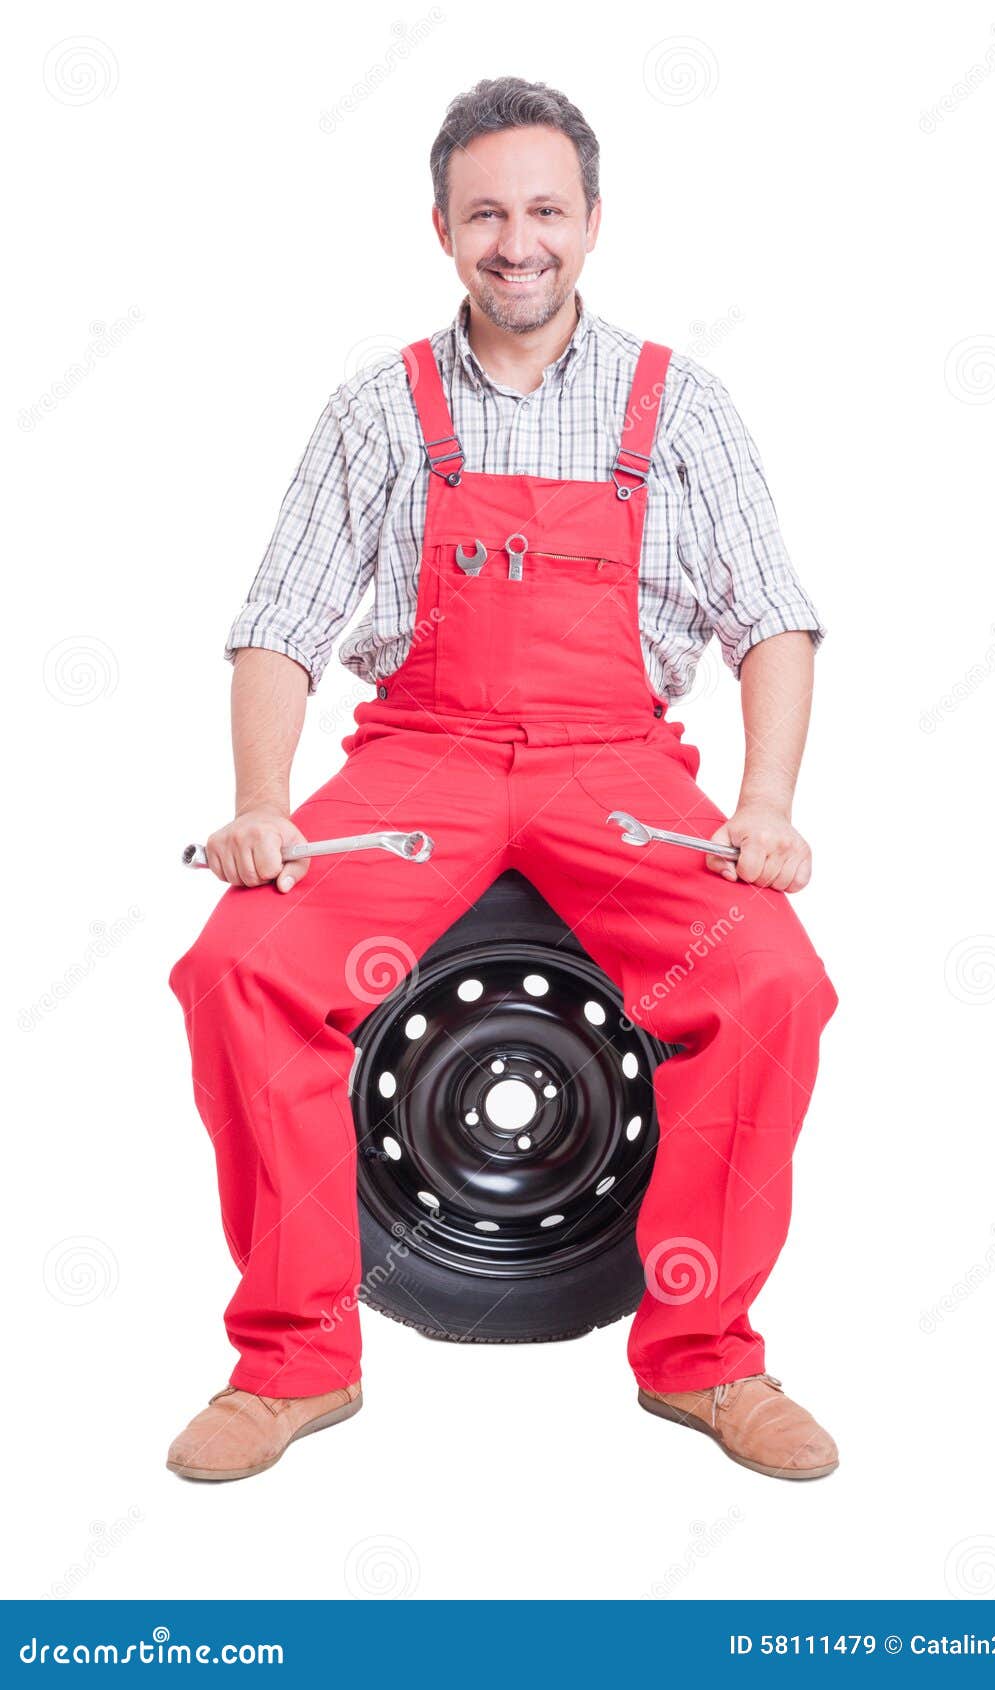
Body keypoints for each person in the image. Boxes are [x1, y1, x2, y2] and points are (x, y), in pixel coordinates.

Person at [167, 75, 840, 1484]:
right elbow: (281, 625)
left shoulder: (678, 404)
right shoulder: (380, 407)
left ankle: (706, 1357)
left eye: (545, 210)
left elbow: (772, 618)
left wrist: (767, 807)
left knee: (769, 979)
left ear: (592, 221)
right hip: (426, 761)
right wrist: (261, 804)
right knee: (241, 967)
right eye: (486, 214)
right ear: (442, 229)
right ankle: (293, 1360)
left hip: (617, 769)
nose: (517, 242)